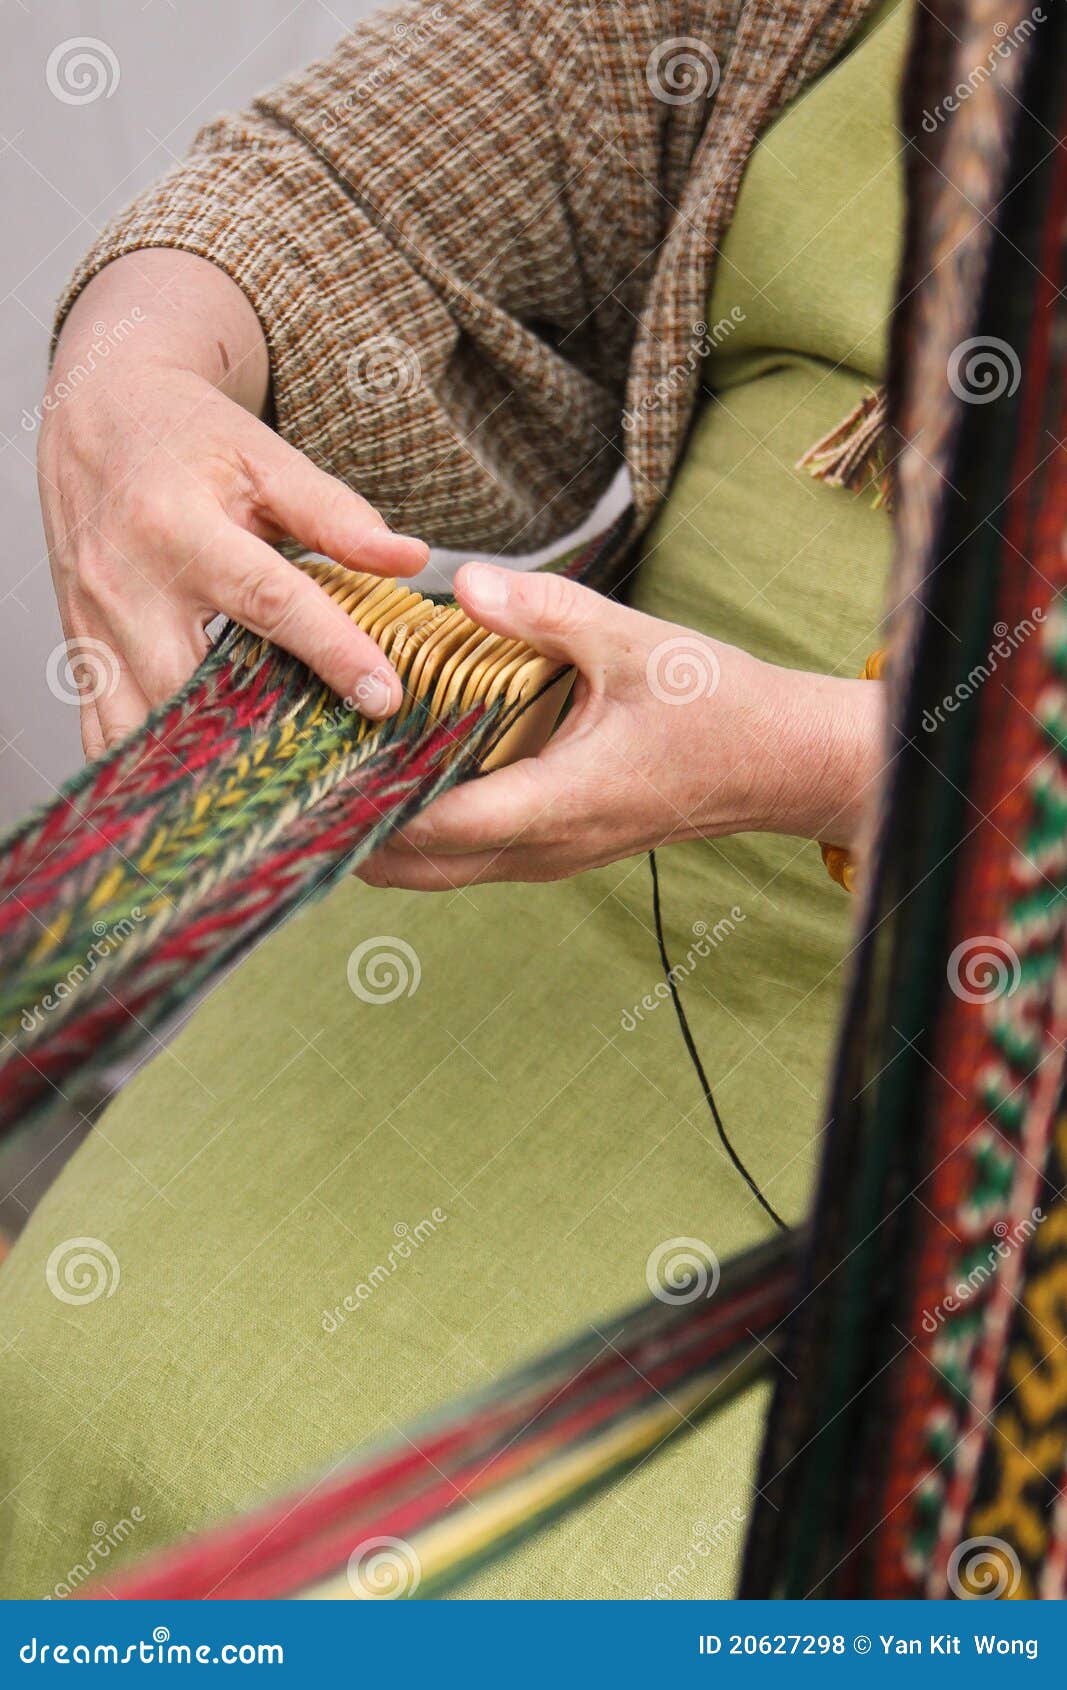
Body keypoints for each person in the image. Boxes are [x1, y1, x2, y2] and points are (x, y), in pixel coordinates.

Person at [1, 0, 907, 1598]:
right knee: (92, 1369)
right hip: (581, 838)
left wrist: (834, 756)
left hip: (987, 1006)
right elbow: (368, 173)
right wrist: (135, 377)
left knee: (609, 1587)